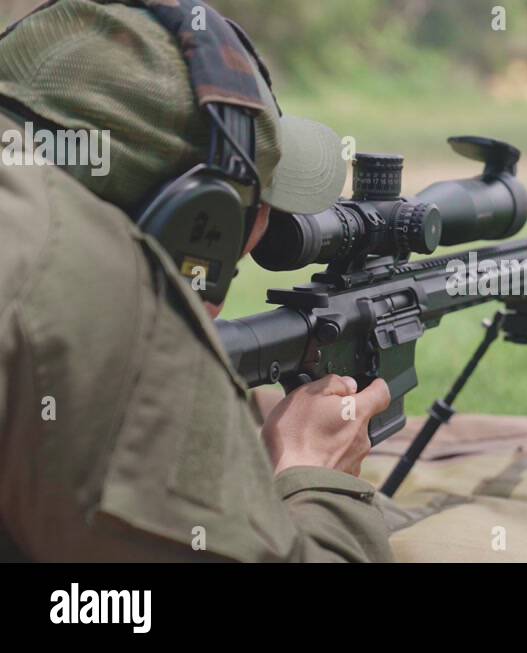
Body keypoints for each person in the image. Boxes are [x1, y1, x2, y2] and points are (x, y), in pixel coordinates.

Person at [0, 0, 394, 561]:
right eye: (258, 203)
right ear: (194, 222)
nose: (261, 235)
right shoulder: (93, 287)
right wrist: (316, 479)